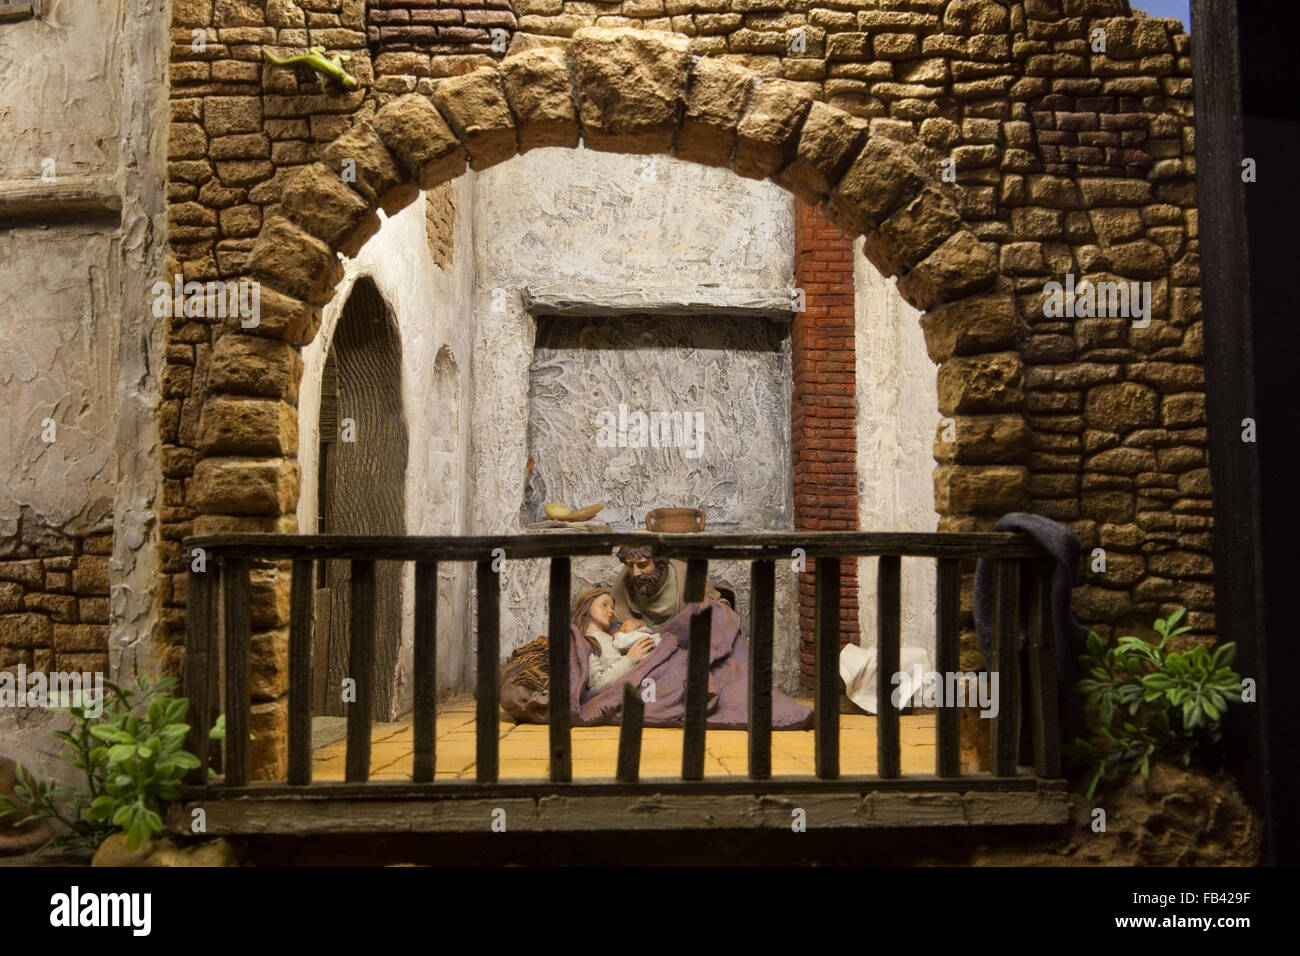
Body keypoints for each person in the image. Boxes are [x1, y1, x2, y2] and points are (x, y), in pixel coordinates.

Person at [609, 545, 729, 629]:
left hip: (680, 639)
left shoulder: (689, 576)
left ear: (659, 562)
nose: (635, 572)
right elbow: (615, 609)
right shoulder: (626, 576)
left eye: (643, 565)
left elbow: (716, 607)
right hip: (642, 639)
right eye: (630, 565)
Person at [570, 587, 657, 693]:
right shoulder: (583, 642)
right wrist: (630, 659)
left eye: (612, 608)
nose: (611, 611)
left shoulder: (615, 636)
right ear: (587, 604)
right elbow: (598, 684)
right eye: (604, 604)